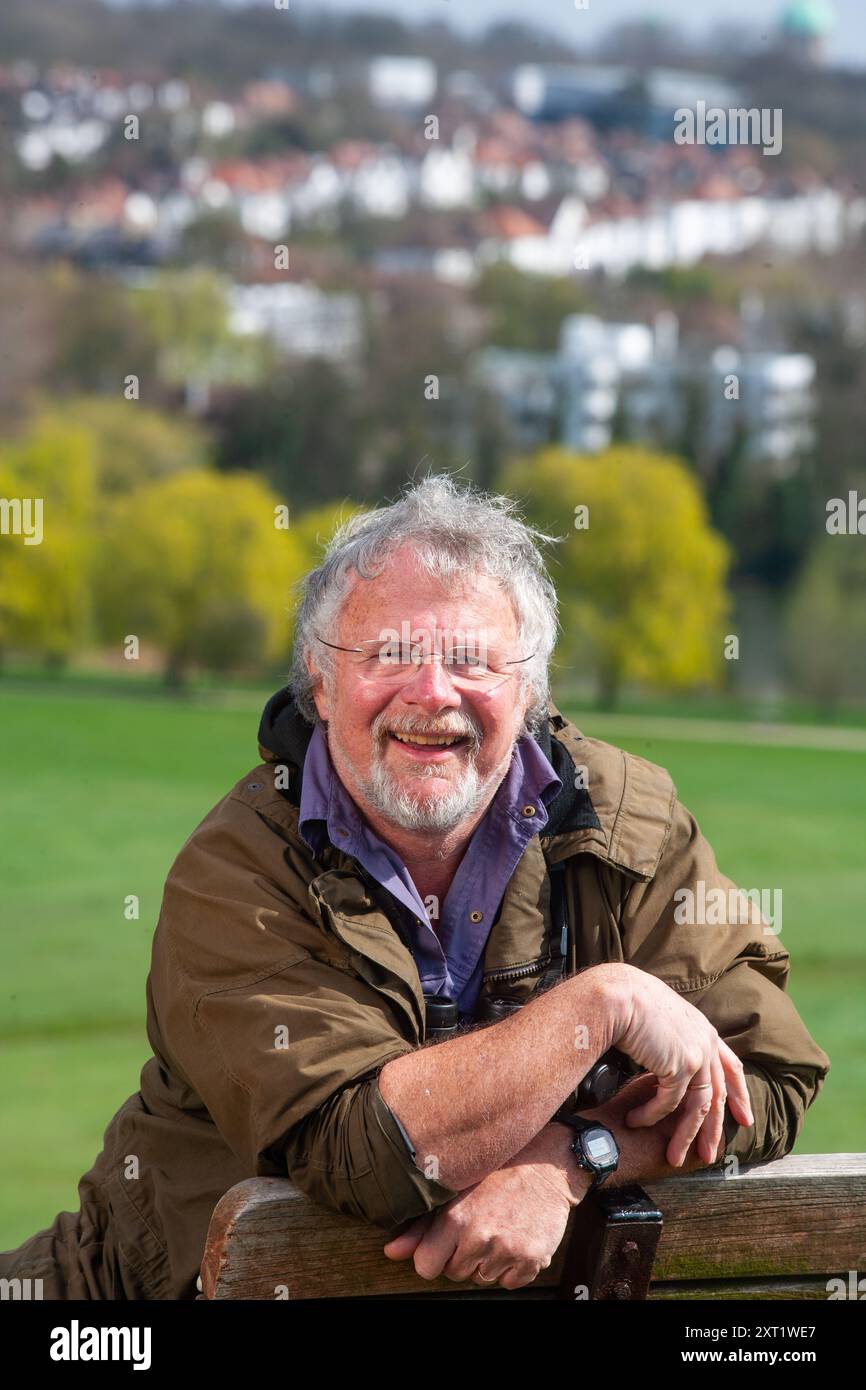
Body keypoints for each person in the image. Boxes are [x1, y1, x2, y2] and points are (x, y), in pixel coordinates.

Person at [0, 476, 830, 1299]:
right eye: (390, 654)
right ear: (320, 687)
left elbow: (770, 1073)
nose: (432, 693)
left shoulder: (626, 822)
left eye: (471, 658)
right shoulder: (237, 873)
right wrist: (603, 1005)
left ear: (529, 692)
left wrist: (572, 1158)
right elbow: (364, 1155)